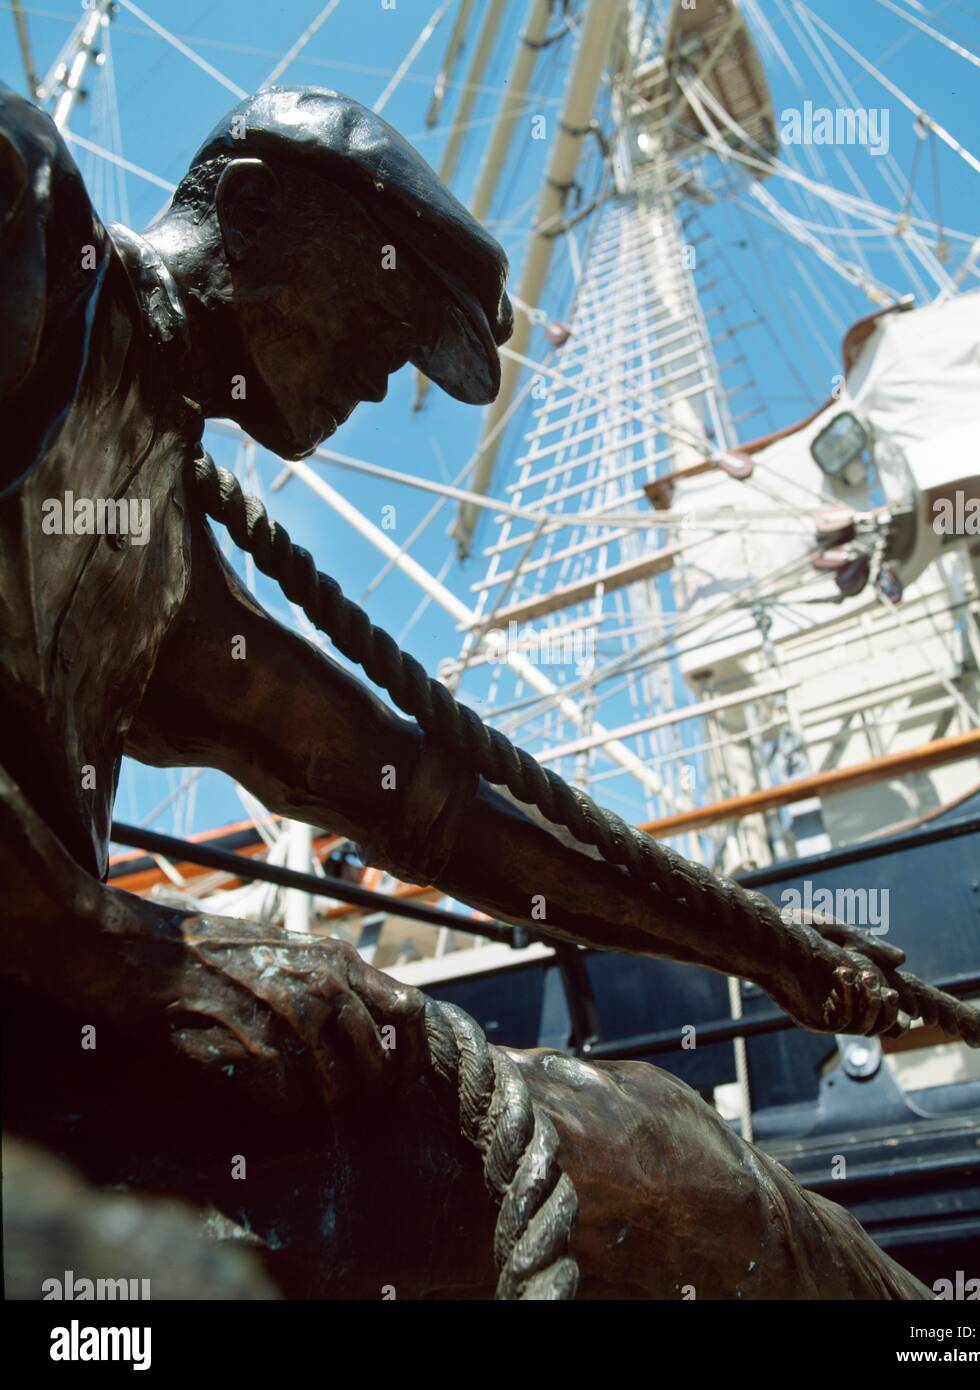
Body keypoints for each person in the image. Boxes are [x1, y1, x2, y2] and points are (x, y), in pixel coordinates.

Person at [0, 84, 924, 1298]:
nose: (384, 387)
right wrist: (117, 953)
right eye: (381, 323)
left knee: (690, 1172)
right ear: (253, 207)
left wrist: (756, 946)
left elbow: (428, 807)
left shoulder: (165, 574)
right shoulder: (28, 211)